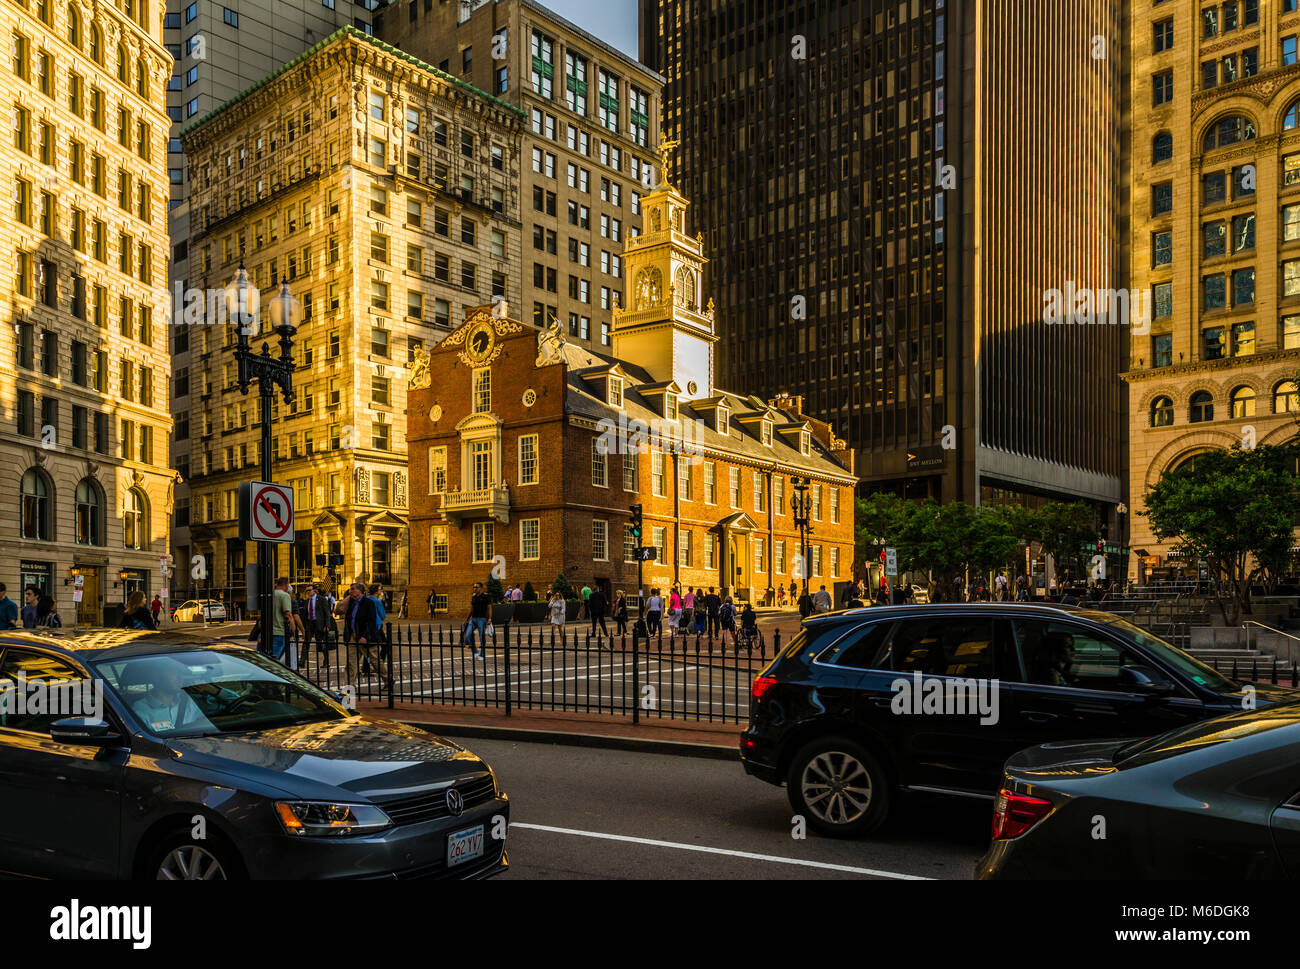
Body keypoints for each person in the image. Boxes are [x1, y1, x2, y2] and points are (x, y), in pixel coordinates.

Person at [341, 582, 385, 683]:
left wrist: (365, 636)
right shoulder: (351, 602)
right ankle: (350, 686)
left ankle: (388, 680)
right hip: (352, 636)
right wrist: (347, 598)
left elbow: (371, 621)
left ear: (359, 591)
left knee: (375, 661)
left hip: (365, 636)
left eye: (352, 589)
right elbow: (339, 610)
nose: (350, 591)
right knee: (351, 663)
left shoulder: (368, 603)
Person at [270, 576, 301, 664]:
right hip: (279, 632)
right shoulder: (284, 595)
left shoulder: (270, 595)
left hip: (267, 633)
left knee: (266, 660)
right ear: (286, 584)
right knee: (275, 661)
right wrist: (294, 632)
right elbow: (288, 614)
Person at [303, 584, 336, 655]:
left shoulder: (321, 599)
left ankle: (326, 662)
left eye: (309, 590)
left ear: (314, 591)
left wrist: (327, 625)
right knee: (306, 642)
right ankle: (302, 660)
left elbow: (327, 613)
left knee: (321, 643)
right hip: (310, 624)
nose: (308, 592)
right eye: (307, 591)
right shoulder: (307, 601)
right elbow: (305, 614)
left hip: (319, 624)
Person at [466, 582, 490, 659]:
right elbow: (472, 608)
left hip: (481, 619)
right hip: (473, 619)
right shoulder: (474, 597)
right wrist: (468, 617)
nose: (475, 588)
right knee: (468, 635)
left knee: (481, 637)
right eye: (474, 587)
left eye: (476, 587)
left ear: (481, 588)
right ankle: (475, 652)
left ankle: (482, 655)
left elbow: (489, 608)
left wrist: (489, 618)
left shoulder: (485, 596)